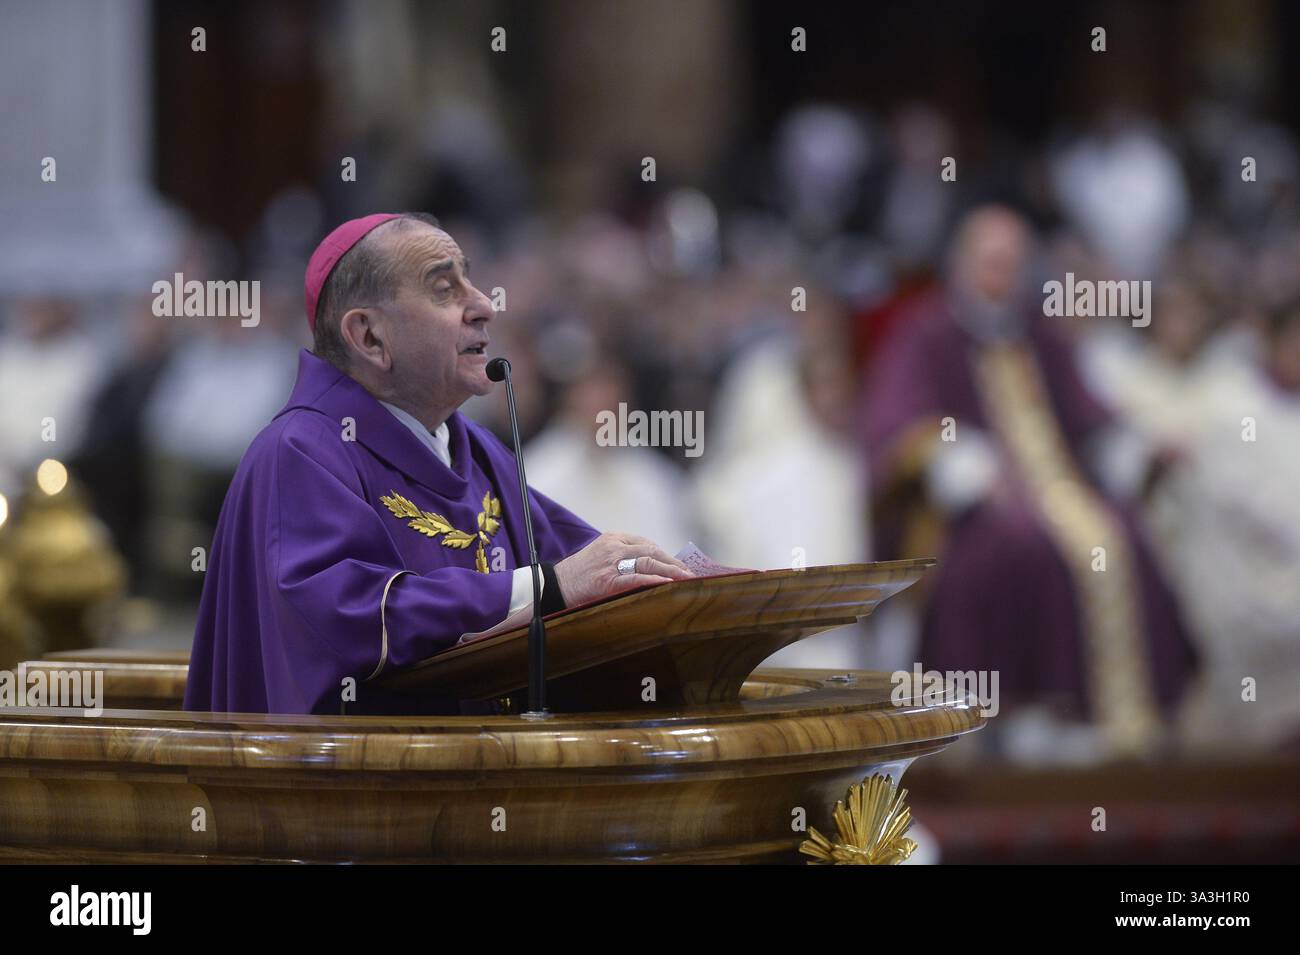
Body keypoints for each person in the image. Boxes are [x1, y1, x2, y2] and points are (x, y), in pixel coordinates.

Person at [184, 213, 691, 716]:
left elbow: (586, 567)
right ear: (369, 337)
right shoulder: (300, 453)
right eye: (445, 289)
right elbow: (348, 619)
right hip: (352, 783)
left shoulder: (478, 449)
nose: (485, 305)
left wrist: (684, 590)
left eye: (470, 279)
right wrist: (545, 588)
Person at [862, 206, 1196, 760]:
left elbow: (1089, 416)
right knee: (1021, 547)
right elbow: (898, 424)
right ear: (960, 264)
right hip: (969, 515)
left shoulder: (1040, 335)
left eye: (1012, 263)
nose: (1001, 275)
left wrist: (1137, 449)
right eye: (990, 261)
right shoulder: (926, 333)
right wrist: (960, 460)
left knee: (1125, 536)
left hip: (1062, 492)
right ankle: (1023, 715)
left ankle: (1117, 721)